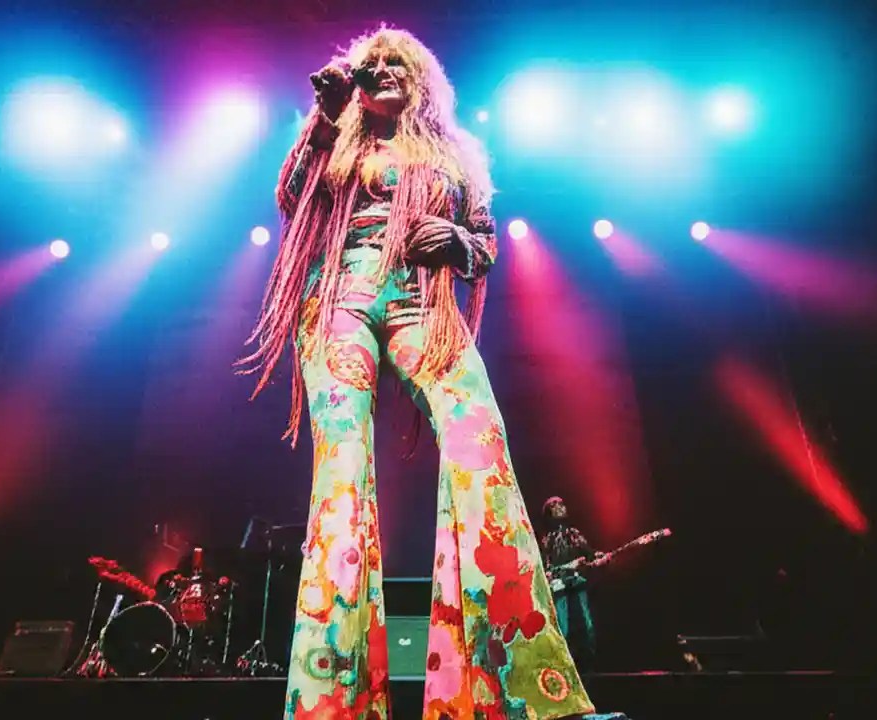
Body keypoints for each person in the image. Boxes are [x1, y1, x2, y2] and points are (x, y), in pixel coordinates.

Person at [239, 25, 595, 720]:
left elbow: (485, 244)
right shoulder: (339, 139)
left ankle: (512, 688)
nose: (382, 69)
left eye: (395, 60)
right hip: (339, 297)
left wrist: (460, 241)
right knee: (341, 478)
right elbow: (291, 200)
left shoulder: (457, 154)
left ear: (422, 75)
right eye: (369, 64)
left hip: (418, 301)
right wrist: (325, 117)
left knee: (480, 449)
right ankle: (330, 700)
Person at [539, 497, 604, 672]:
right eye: (555, 505)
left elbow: (589, 553)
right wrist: (568, 566)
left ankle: (590, 667)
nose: (560, 507)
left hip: (577, 583)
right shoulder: (546, 539)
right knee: (562, 628)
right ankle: (563, 667)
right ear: (548, 513)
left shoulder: (573, 534)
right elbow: (546, 569)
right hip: (559, 586)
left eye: (561, 503)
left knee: (587, 625)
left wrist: (598, 557)